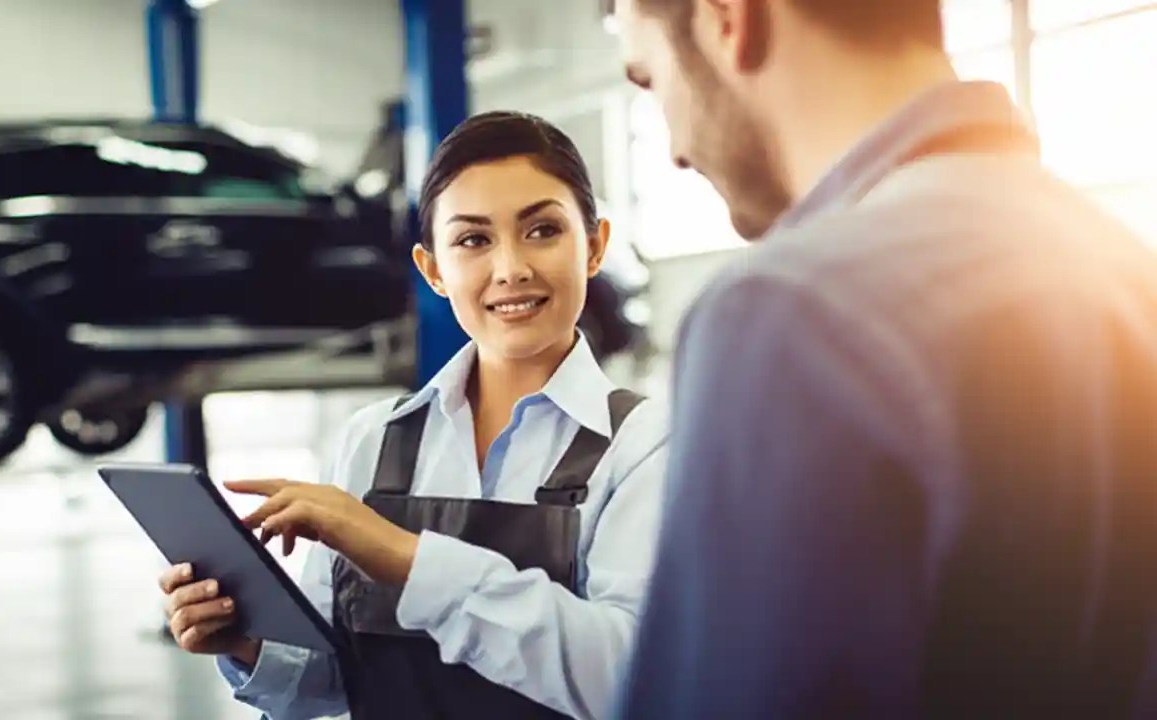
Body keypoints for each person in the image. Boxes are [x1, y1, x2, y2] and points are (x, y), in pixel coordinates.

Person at [612, 0, 1157, 717]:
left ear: (728, 21)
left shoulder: (791, 312)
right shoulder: (1124, 264)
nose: (676, 149)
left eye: (649, 80)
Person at [156, 111, 669, 720]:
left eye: (542, 230)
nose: (511, 269)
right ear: (433, 270)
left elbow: (633, 681)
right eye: (473, 240)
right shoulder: (372, 441)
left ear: (595, 246)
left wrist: (401, 555)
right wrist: (246, 642)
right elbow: (327, 682)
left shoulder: (648, 447)